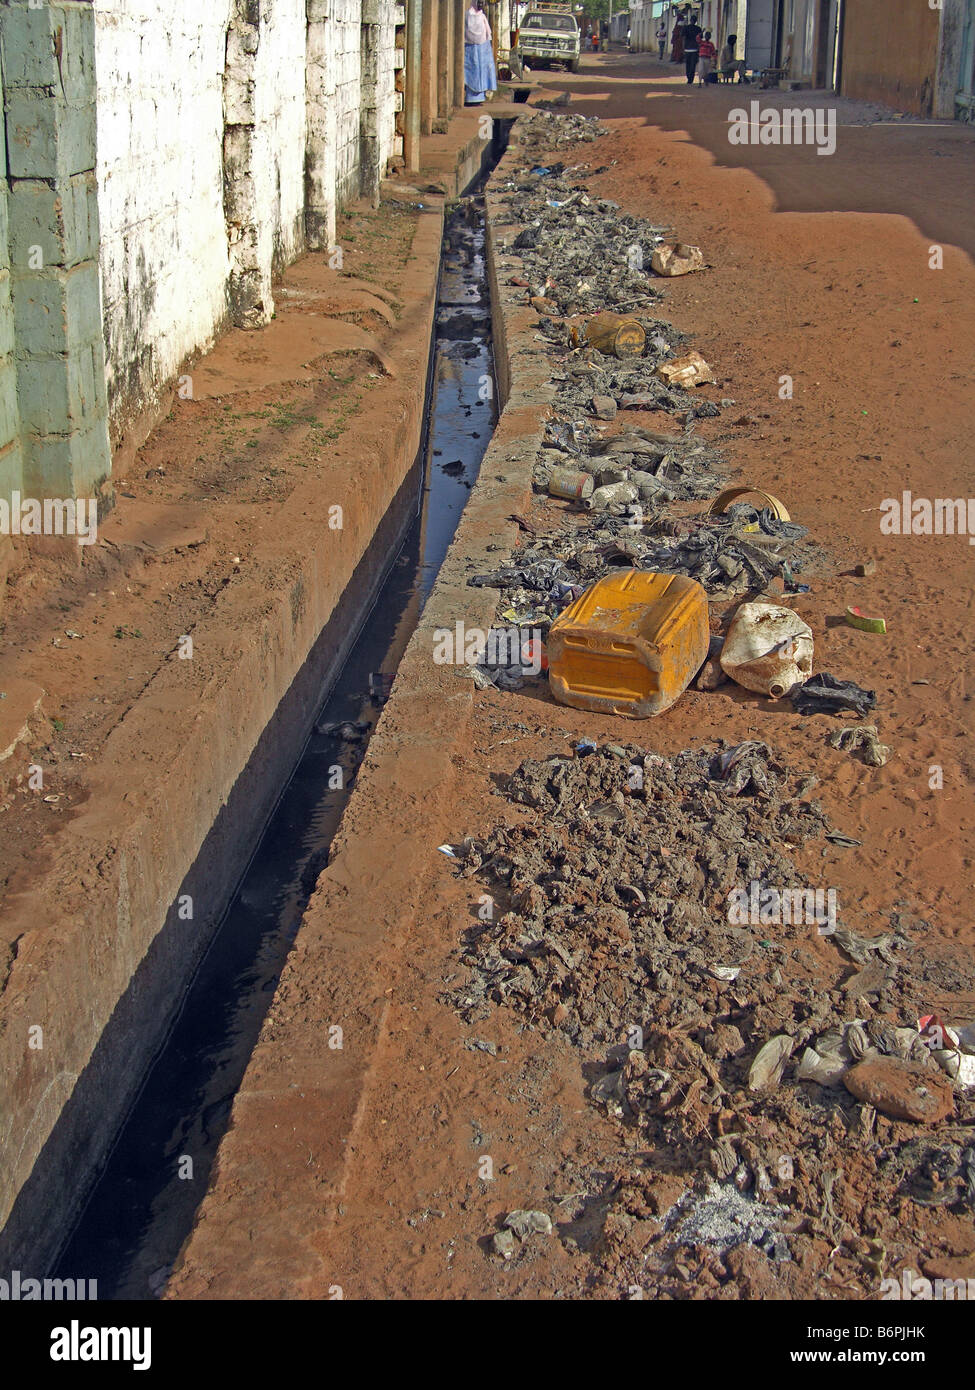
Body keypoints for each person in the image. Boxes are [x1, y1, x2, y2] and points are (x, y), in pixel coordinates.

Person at [464, 1, 497, 106]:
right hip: (474, 49)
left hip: (479, 48)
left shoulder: (478, 16)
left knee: (480, 71)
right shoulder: (471, 15)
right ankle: (472, 98)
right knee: (474, 71)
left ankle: (479, 97)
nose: (481, 5)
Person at [682, 12, 702, 84]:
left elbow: (683, 38)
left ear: (690, 20)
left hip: (687, 49)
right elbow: (700, 39)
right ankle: (691, 78)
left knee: (688, 64)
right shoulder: (698, 29)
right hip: (695, 49)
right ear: (696, 21)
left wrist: (683, 48)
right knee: (693, 65)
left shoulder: (686, 28)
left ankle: (689, 77)